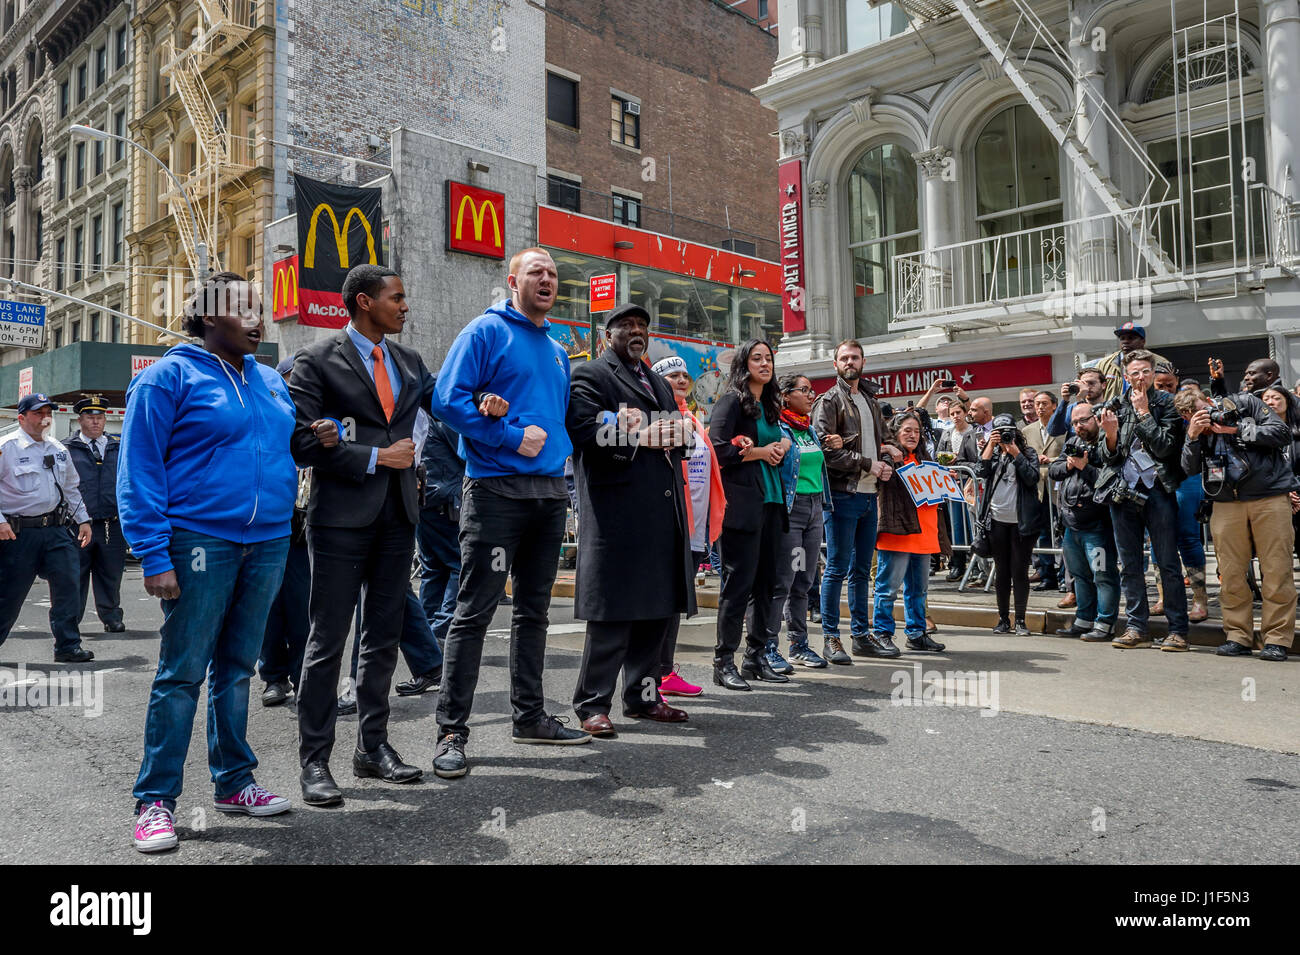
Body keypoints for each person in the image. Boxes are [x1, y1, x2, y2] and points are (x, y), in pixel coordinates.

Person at [119, 272, 313, 852]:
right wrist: (154, 554)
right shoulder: (166, 378)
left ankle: (234, 782)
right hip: (199, 540)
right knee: (182, 672)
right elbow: (139, 470)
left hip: (270, 540)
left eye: (260, 308)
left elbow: (282, 449)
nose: (258, 319)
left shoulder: (271, 381)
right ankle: (155, 801)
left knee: (237, 668)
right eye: (244, 309)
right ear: (208, 316)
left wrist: (319, 440)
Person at [430, 248, 590, 780]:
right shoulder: (484, 331)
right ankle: (451, 731)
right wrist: (508, 436)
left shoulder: (558, 350)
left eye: (553, 274)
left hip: (549, 495)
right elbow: (446, 401)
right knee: (474, 612)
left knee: (534, 612)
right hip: (495, 492)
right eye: (536, 272)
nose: (547, 279)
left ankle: (529, 717)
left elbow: (560, 418)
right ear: (513, 281)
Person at [289, 264, 436, 805]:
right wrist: (376, 456)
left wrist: (490, 403)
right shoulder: (315, 360)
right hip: (339, 519)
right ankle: (314, 761)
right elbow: (301, 443)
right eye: (396, 298)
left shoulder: (410, 361)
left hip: (399, 516)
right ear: (363, 302)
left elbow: (449, 404)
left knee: (382, 639)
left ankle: (372, 747)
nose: (405, 306)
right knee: (328, 640)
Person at [567, 304, 695, 736]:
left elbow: (672, 432)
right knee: (613, 614)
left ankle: (643, 698)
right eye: (626, 326)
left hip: (661, 511)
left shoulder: (656, 381)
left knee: (655, 612)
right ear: (608, 335)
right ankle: (592, 705)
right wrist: (638, 436)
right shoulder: (591, 375)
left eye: (642, 326)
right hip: (616, 514)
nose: (636, 332)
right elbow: (583, 429)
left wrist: (681, 435)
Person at [1177, 387, 1295, 661]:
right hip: (1226, 502)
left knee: (1276, 569)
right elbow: (1188, 469)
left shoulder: (1245, 404)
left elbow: (1281, 433)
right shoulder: (1195, 430)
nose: (1203, 418)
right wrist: (1193, 436)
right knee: (1230, 573)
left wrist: (1235, 429)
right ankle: (1237, 635)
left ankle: (1276, 638)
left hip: (1269, 496)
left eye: (1203, 411)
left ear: (1209, 400)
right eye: (1193, 417)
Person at [1095, 349, 1189, 651]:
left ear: (1153, 374)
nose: (1140, 377)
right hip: (1123, 491)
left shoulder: (1167, 403)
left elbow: (1165, 448)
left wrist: (1145, 412)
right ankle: (1136, 627)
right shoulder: (1115, 404)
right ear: (1126, 376)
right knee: (1130, 565)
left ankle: (1178, 630)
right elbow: (1106, 456)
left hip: (1158, 490)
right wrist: (1110, 434)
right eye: (1134, 373)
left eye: (1146, 372)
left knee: (1168, 563)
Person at [710, 338, 791, 688]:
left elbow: (777, 447)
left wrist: (781, 448)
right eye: (757, 358)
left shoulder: (770, 406)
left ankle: (755, 657)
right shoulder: (731, 401)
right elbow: (717, 449)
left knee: (767, 584)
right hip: (742, 507)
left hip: (772, 503)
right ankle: (723, 661)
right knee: (738, 584)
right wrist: (759, 452)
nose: (765, 363)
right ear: (743, 364)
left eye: (768, 358)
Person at [811, 339, 893, 663]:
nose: (849, 362)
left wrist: (887, 459)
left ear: (863, 362)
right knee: (836, 568)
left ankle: (860, 635)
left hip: (870, 495)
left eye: (854, 357)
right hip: (842, 494)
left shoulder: (870, 400)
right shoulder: (829, 401)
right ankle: (831, 637)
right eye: (844, 358)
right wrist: (868, 463)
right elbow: (824, 451)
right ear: (835, 364)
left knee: (860, 571)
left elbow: (884, 442)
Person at [0, 393, 93, 663]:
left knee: (68, 586)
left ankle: (68, 646)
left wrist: (83, 520)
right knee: (9, 595)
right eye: (38, 413)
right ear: (21, 418)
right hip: (18, 533)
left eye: (48, 413)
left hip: (55, 529)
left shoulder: (58, 448)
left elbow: (71, 488)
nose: (45, 418)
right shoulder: (6, 448)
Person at [652, 354, 722, 697]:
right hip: (669, 525)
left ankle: (665, 671)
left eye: (684, 375)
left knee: (676, 601)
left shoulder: (693, 419)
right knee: (661, 602)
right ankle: (651, 676)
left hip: (695, 528)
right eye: (672, 376)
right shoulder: (656, 420)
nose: (681, 380)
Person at [768, 373, 834, 668]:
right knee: (783, 580)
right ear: (785, 396)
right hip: (790, 511)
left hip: (814, 511)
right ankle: (768, 647)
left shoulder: (809, 429)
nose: (811, 396)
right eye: (804, 390)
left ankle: (799, 645)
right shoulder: (778, 428)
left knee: (804, 580)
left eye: (811, 391)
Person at [873, 411, 949, 652]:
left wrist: (945, 481)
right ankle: (882, 633)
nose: (913, 435)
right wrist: (886, 450)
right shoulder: (887, 456)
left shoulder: (924, 458)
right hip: (897, 533)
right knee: (888, 589)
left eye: (917, 431)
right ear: (895, 433)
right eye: (907, 430)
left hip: (924, 533)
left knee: (918, 590)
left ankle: (916, 634)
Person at [1047, 403, 1119, 642]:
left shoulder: (1108, 443)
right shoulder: (1073, 442)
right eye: (1075, 422)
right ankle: (1084, 620)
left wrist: (1085, 467)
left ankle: (1105, 623)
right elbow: (1054, 470)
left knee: (1103, 575)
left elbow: (1109, 480)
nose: (1079, 426)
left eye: (1083, 420)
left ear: (1097, 419)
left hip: (1097, 525)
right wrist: (1069, 464)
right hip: (1071, 525)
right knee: (1079, 575)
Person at [65, 394, 127, 633]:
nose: (95, 422)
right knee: (75, 575)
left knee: (111, 574)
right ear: (80, 420)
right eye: (90, 417)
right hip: (78, 525)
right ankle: (72, 621)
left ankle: (111, 617)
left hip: (111, 523)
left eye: (100, 417)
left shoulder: (118, 447)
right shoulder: (67, 448)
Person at [977, 414, 1044, 634]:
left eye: (1009, 431)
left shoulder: (1028, 453)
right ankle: (1003, 619)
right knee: (1002, 571)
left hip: (1021, 523)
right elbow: (980, 471)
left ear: (1016, 432)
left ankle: (1021, 621)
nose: (1005, 436)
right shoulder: (992, 453)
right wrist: (990, 445)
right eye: (1000, 432)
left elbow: (1032, 478)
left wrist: (1016, 453)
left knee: (1019, 571)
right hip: (997, 521)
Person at [1151, 366, 1208, 622]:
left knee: (1187, 536)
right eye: (1160, 386)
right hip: (1158, 479)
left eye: (1170, 386)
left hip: (1188, 478)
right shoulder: (1146, 407)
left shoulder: (1187, 407)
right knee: (1157, 539)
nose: (1165, 390)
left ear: (1177, 384)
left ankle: (1200, 599)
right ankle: (1164, 597)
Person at [1024, 390, 1063, 591]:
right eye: (1037, 403)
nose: (1039, 407)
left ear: (1054, 405)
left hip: (1059, 488)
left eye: (1044, 403)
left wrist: (1051, 460)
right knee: (1043, 533)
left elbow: (1069, 454)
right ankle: (1048, 575)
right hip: (1037, 489)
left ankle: (1065, 576)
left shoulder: (1064, 428)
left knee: (1062, 532)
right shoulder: (1027, 430)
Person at [938, 397, 980, 582]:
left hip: (970, 482)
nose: (955, 416)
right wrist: (946, 465)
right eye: (952, 414)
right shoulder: (947, 433)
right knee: (956, 525)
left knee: (972, 523)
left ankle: (977, 564)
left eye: (958, 413)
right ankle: (958, 564)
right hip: (952, 483)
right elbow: (938, 455)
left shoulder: (973, 432)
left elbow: (977, 458)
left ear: (965, 413)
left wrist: (961, 463)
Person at [1261, 383, 1300, 564]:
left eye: (1276, 398)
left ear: (1287, 402)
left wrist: (1294, 489)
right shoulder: (1256, 433)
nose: (1271, 402)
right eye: (1266, 399)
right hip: (1271, 496)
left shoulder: (1296, 431)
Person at [1094, 322, 1171, 402]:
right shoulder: (1104, 364)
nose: (1125, 341)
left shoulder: (1161, 363)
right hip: (1114, 409)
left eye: (1130, 338)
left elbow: (1170, 389)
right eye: (1122, 338)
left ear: (1143, 341)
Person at [1047, 368, 1106, 438]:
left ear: (1103, 385)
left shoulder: (1109, 408)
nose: (1087, 387)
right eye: (1083, 384)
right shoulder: (1072, 409)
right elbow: (1053, 431)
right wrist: (1065, 401)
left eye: (1091, 383)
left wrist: (1081, 400)